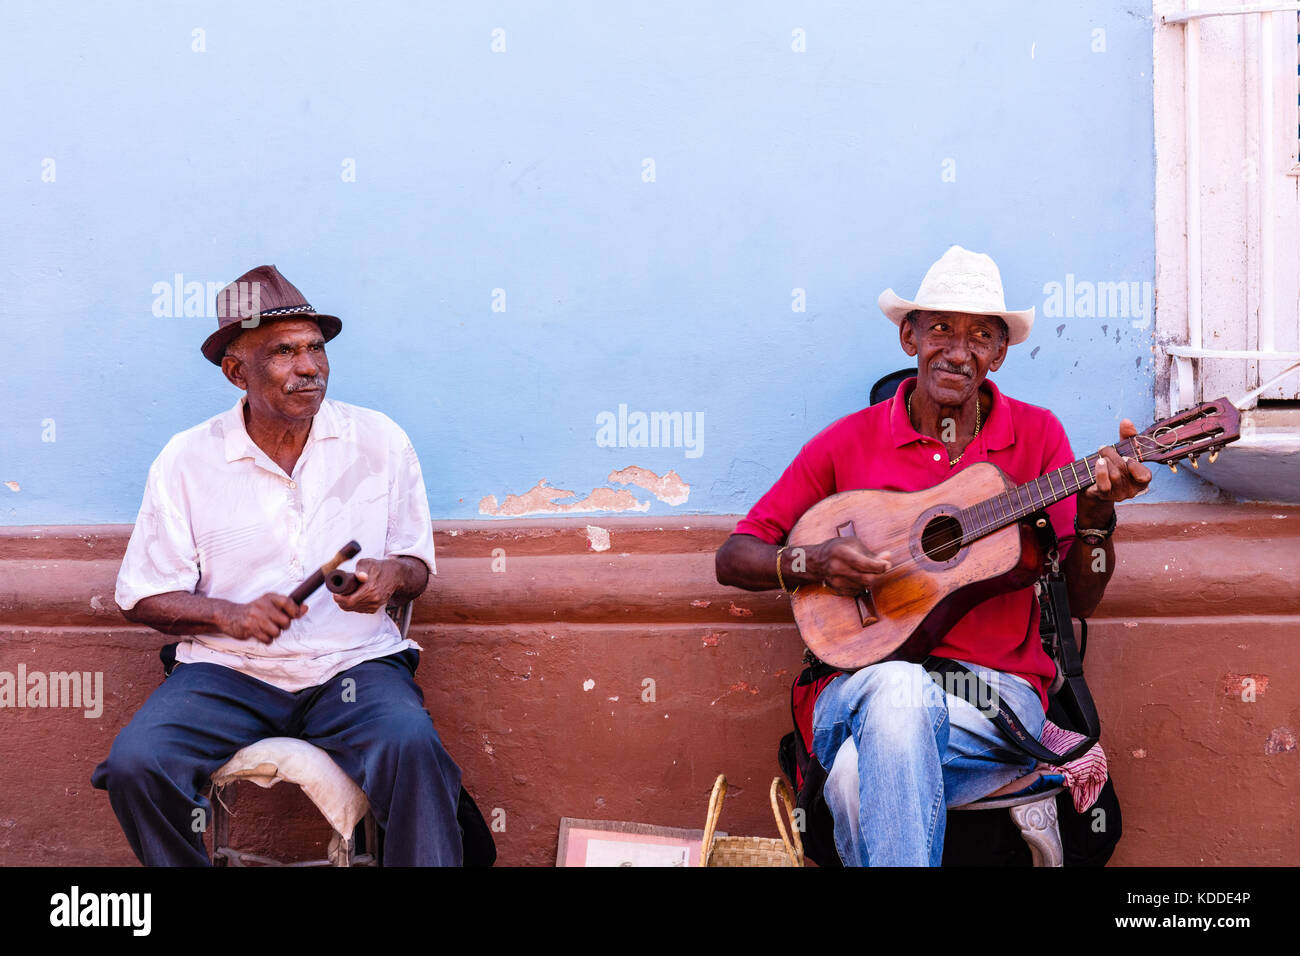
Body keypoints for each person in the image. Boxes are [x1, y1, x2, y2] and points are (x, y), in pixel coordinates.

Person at [714, 245, 1150, 866]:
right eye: (940, 327)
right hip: (853, 687)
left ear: (999, 354)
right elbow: (734, 556)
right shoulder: (849, 442)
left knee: (855, 779)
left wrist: (1100, 517)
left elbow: (1080, 597)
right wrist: (812, 563)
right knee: (894, 689)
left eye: (980, 335)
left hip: (997, 704)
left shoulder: (1039, 436)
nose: (957, 349)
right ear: (907, 337)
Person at [91, 264, 464, 866]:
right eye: (284, 352)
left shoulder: (380, 440)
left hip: (353, 666)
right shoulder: (187, 459)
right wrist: (229, 615)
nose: (310, 366)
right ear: (236, 371)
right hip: (228, 674)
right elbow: (143, 597)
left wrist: (391, 577)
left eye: (316, 348)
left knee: (411, 744)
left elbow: (415, 566)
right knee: (138, 764)